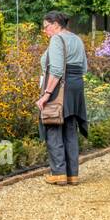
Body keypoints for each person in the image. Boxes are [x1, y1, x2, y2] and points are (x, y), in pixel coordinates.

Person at [35, 11, 89, 185]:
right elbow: (84, 68)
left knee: (53, 125)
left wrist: (46, 95)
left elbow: (57, 70)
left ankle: (58, 173)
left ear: (56, 24)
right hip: (76, 87)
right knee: (70, 128)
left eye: (46, 27)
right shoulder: (77, 39)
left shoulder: (57, 39)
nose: (45, 31)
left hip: (60, 87)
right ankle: (72, 175)